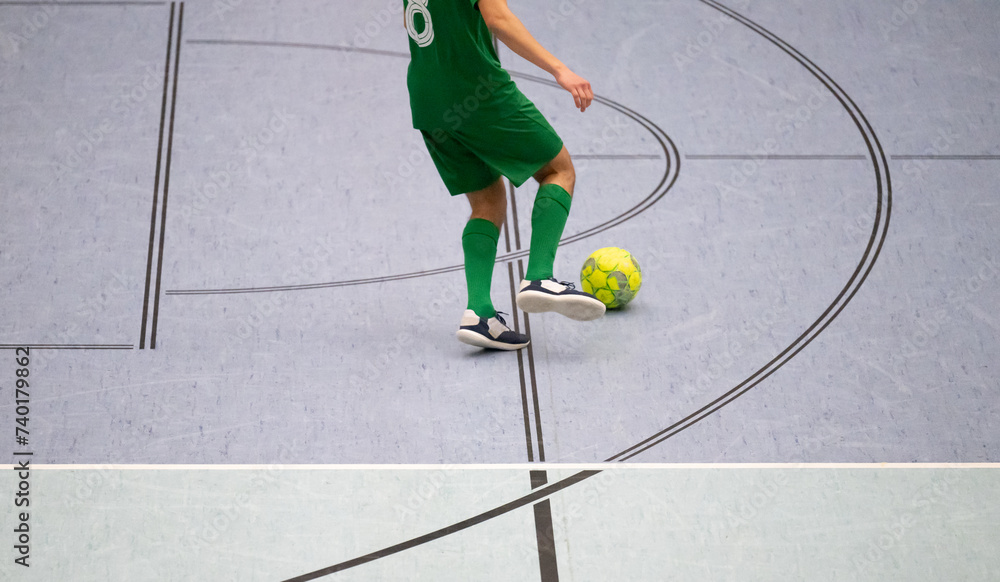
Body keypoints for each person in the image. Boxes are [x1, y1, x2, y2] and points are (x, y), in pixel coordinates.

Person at [404, 0, 605, 351]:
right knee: (559, 170)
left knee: (488, 199)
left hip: (427, 98)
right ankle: (540, 277)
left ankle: (480, 315)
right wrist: (560, 70)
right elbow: (497, 18)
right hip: (475, 91)